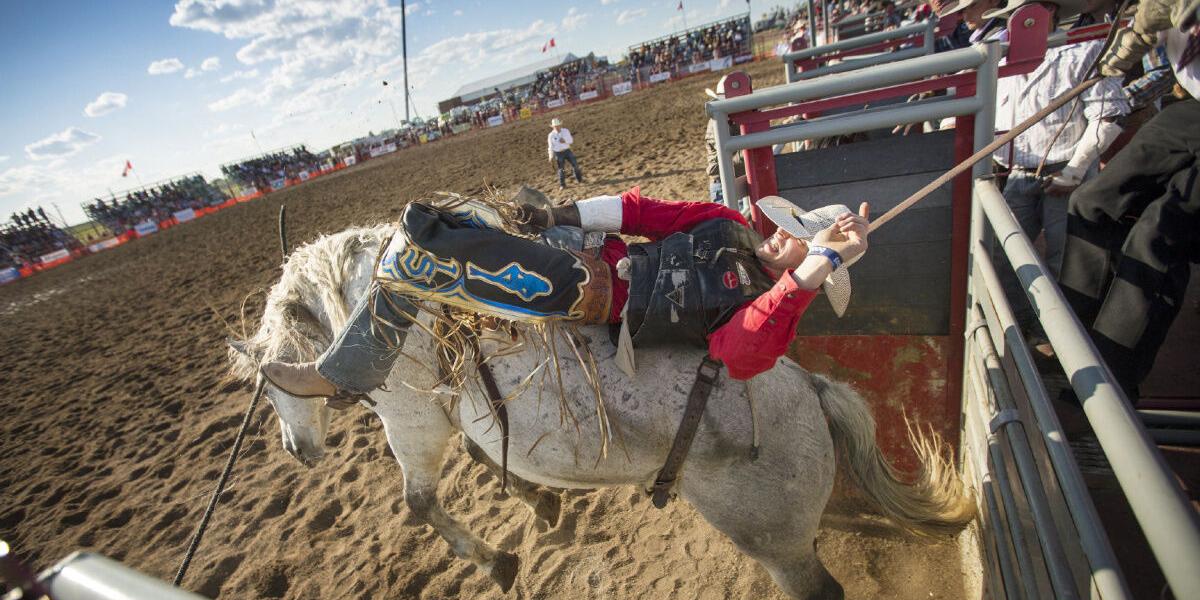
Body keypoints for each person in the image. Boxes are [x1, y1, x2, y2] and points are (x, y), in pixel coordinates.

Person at [261, 189, 870, 403]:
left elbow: (736, 352)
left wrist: (817, 265)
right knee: (440, 218)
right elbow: (642, 211)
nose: (784, 233)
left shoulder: (772, 306)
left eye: (801, 237)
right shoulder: (727, 223)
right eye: (791, 223)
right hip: (585, 245)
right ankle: (353, 366)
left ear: (812, 261)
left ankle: (344, 374)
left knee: (426, 248)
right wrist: (559, 213)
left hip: (591, 292)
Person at [1058, 0, 1200, 401]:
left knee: (1158, 232)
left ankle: (1111, 383)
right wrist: (1115, 61)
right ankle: (1072, 340)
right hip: (1192, 107)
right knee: (1092, 202)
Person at [986, 0, 1129, 350]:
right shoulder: (1000, 61)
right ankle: (1022, 323)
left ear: (1049, 10)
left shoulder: (1083, 52)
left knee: (1066, 258)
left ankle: (1057, 337)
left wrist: (1075, 170)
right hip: (1017, 173)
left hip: (1066, 172)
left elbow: (1109, 117)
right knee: (1004, 253)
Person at [547, 118, 584, 189]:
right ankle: (562, 185)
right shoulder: (551, 135)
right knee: (561, 169)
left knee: (575, 165)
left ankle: (579, 179)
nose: (557, 127)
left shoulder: (566, 131)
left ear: (560, 125)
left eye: (558, 126)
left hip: (567, 151)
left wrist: (565, 140)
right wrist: (550, 156)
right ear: (553, 127)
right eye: (555, 126)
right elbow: (550, 146)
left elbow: (571, 140)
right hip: (558, 153)